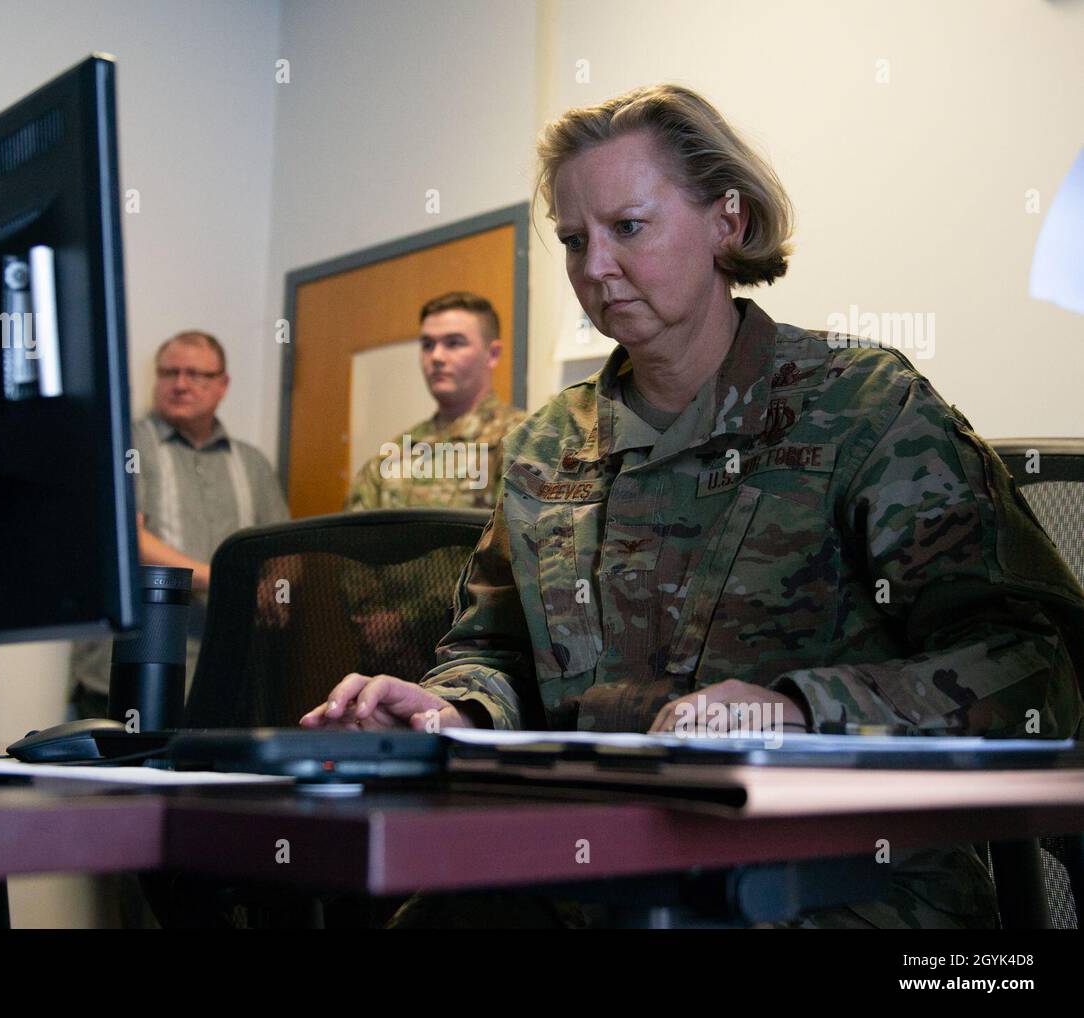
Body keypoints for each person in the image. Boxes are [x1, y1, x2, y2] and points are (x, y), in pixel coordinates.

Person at [303, 84, 1084, 929]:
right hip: (586, 869)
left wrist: (798, 712)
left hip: (829, 878)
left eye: (628, 227)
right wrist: (454, 707)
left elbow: (1031, 669)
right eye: (573, 240)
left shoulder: (862, 406)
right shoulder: (545, 448)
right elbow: (496, 652)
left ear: (727, 221)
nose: (595, 267)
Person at [70, 331, 288, 719]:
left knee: (219, 781)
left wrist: (277, 589)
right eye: (169, 373)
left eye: (196, 374)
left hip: (225, 678)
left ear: (223, 385)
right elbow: (127, 540)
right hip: (126, 678)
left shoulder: (251, 463)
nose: (181, 384)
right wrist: (227, 580)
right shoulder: (125, 444)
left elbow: (283, 550)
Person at [347, 292, 527, 510]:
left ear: (492, 354)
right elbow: (355, 538)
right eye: (428, 345)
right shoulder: (394, 453)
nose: (436, 357)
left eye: (453, 343)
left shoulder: (522, 439)